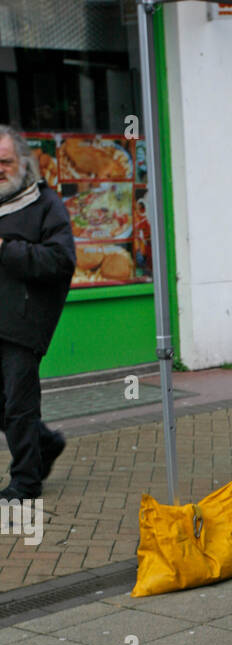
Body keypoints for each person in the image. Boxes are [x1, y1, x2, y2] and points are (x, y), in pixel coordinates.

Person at [0, 125, 75, 502]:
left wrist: (5, 249)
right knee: (5, 407)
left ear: (23, 161)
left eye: (5, 161)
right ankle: (46, 444)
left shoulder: (45, 204)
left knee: (18, 405)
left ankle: (25, 483)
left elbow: (61, 261)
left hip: (23, 323)